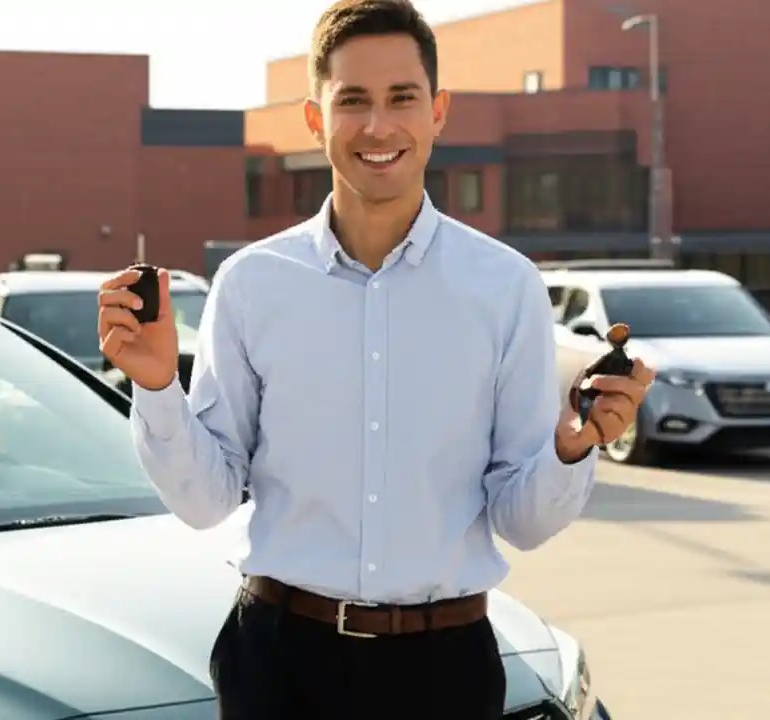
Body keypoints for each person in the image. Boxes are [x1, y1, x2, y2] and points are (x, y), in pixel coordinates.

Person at [96, 0, 654, 716]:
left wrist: (571, 449)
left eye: (402, 99)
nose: (379, 126)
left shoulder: (503, 284)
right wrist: (155, 388)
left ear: (438, 111)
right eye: (352, 100)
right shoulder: (252, 283)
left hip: (444, 671)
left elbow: (523, 520)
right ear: (314, 118)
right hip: (278, 663)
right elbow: (206, 503)